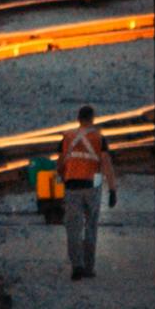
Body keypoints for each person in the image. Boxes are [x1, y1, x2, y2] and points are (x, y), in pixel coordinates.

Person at [57, 105, 112, 280]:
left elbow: (60, 164)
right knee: (90, 226)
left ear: (78, 119)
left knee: (73, 227)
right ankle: (89, 267)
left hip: (72, 185)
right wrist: (112, 189)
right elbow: (106, 164)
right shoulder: (99, 138)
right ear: (92, 119)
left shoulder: (67, 137)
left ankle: (77, 265)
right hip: (93, 183)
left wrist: (63, 178)